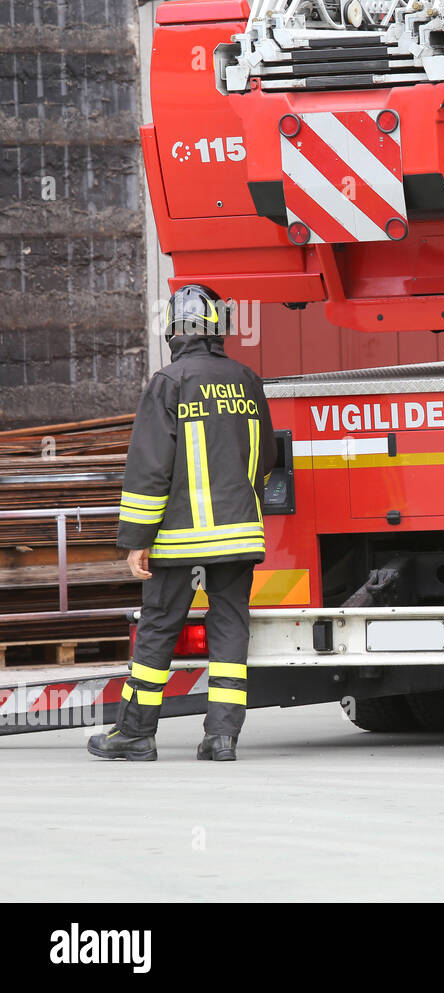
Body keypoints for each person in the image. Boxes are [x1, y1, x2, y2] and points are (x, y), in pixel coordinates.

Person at [88, 284, 275, 762]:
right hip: (238, 538)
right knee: (230, 629)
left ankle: (134, 733)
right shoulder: (247, 380)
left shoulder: (169, 382)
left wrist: (135, 540)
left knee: (158, 629)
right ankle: (222, 737)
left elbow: (150, 468)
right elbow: (267, 456)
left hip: (179, 541)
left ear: (174, 329)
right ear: (218, 328)